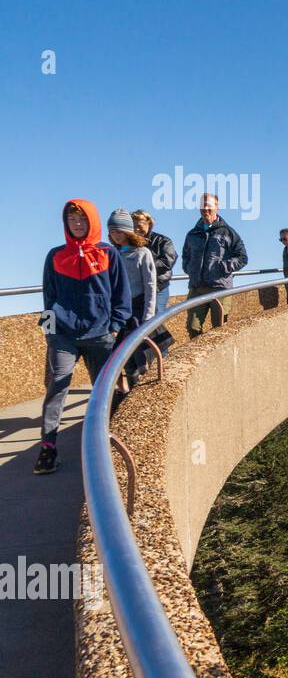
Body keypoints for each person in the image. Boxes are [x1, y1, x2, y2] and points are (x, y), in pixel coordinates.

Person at [35, 200, 132, 475]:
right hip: (63, 336)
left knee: (102, 391)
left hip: (100, 333)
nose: (77, 224)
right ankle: (48, 447)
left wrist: (115, 326)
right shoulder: (55, 255)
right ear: (65, 223)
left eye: (82, 219)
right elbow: (48, 297)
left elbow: (120, 295)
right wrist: (50, 332)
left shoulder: (107, 254)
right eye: (71, 219)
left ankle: (107, 443)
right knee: (57, 386)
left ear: (91, 221)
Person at [181, 193, 248, 339]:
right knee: (192, 326)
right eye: (203, 205)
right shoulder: (192, 234)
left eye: (209, 205)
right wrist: (190, 269)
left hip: (220, 287)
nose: (206, 209)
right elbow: (186, 256)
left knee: (219, 328)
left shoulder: (228, 232)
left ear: (217, 207)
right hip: (197, 287)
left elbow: (242, 257)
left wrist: (222, 267)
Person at [107, 209, 159, 388]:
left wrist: (148, 316)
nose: (116, 235)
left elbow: (151, 286)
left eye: (119, 230)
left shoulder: (142, 253)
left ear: (128, 231)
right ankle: (127, 395)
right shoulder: (111, 254)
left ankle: (143, 394)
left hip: (138, 309)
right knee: (124, 360)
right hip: (119, 312)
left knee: (141, 357)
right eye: (112, 231)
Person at [131, 210, 177, 311]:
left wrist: (144, 267)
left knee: (155, 318)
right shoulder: (128, 243)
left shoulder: (163, 241)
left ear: (149, 224)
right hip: (136, 288)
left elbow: (168, 261)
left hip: (158, 287)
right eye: (133, 226)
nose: (136, 229)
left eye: (140, 225)